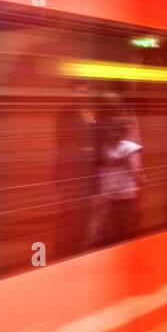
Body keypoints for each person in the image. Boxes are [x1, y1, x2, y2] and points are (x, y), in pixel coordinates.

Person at [54, 79, 99, 256]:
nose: (82, 96)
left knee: (84, 214)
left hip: (87, 173)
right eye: (78, 92)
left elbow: (95, 138)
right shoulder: (65, 114)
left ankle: (79, 248)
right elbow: (63, 143)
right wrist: (85, 151)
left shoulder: (89, 113)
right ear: (71, 94)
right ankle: (63, 251)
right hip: (71, 173)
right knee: (69, 213)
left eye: (85, 92)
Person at [95, 116, 144, 245]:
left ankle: (110, 243)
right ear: (126, 132)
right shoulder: (131, 148)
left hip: (111, 192)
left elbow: (103, 169)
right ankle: (123, 245)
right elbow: (135, 170)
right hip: (126, 193)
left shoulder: (107, 147)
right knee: (125, 223)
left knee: (112, 221)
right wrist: (141, 181)